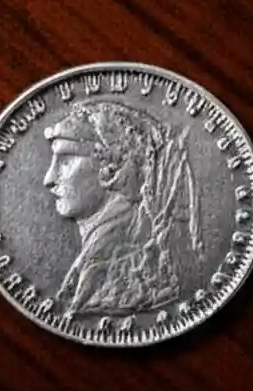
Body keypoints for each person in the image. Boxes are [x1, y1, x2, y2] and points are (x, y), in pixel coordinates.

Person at [42, 100, 202, 321]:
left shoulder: (126, 265)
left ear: (112, 169)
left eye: (66, 161)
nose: (48, 179)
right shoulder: (99, 259)